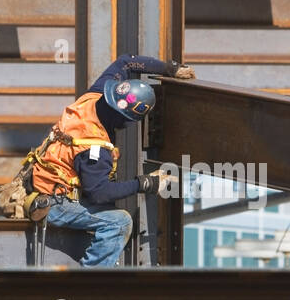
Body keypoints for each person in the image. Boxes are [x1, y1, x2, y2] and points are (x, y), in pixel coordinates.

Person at [28, 54, 191, 267]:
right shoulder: (94, 147)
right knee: (120, 222)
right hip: (55, 203)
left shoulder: (95, 95)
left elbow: (127, 61)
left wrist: (170, 69)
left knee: (108, 205)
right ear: (126, 119)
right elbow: (99, 193)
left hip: (42, 182)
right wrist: (146, 183)